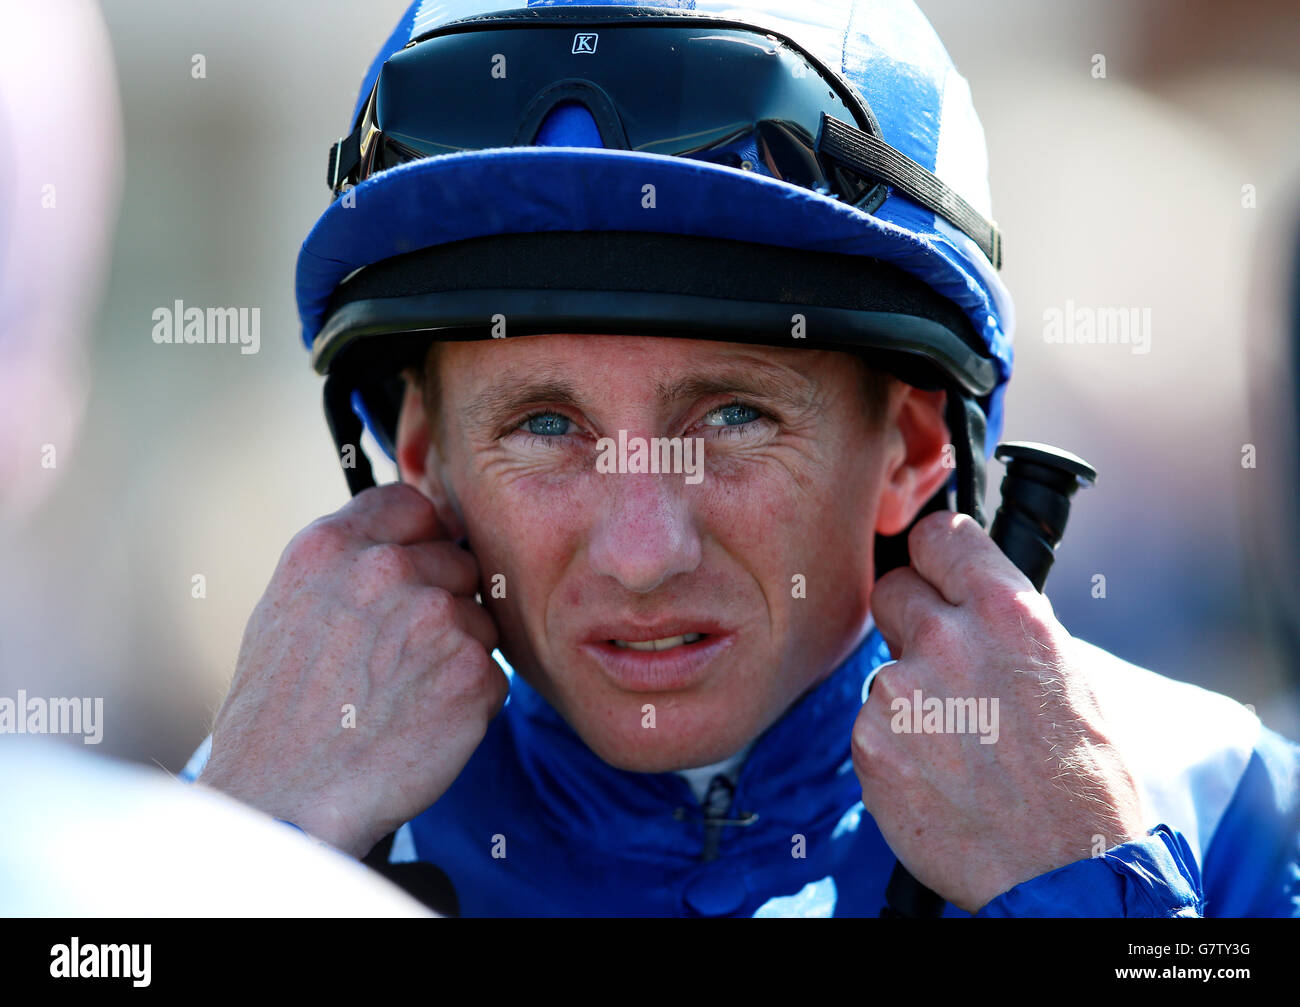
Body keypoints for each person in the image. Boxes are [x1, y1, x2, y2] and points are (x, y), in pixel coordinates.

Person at [182, 0, 1300, 917]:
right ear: (424, 458)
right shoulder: (231, 815)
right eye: (544, 425)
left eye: (732, 418)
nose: (639, 555)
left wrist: (1092, 896)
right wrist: (230, 857)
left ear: (912, 446)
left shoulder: (1235, 811)